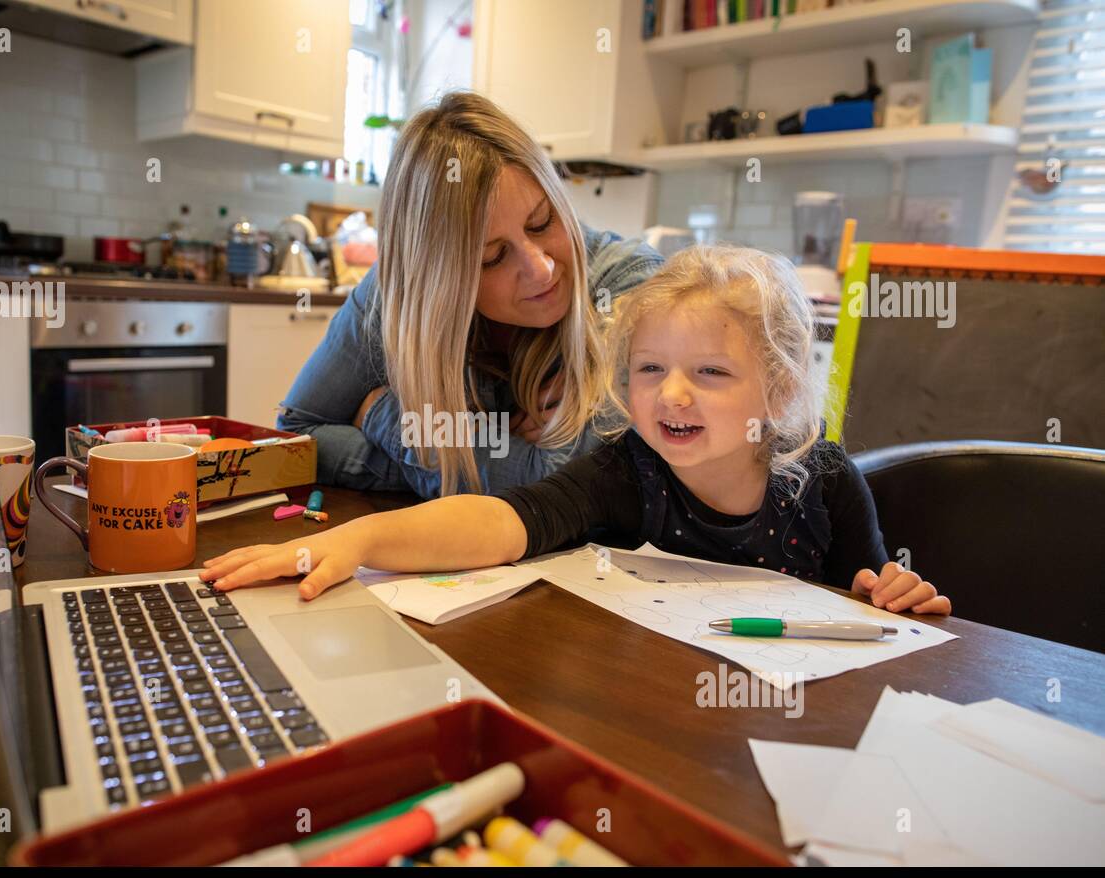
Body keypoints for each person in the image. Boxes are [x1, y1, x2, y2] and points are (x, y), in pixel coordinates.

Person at [203, 244, 952, 617]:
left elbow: (871, 593)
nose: (673, 394)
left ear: (781, 387)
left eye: (712, 374)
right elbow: (503, 520)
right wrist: (357, 542)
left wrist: (895, 595)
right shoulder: (628, 470)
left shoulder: (824, 480)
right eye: (650, 369)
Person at [277, 90, 662, 497]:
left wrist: (384, 415)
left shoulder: (629, 287)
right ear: (434, 282)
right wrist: (456, 455)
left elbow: (561, 487)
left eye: (542, 222)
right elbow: (298, 439)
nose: (541, 268)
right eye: (493, 257)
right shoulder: (396, 294)